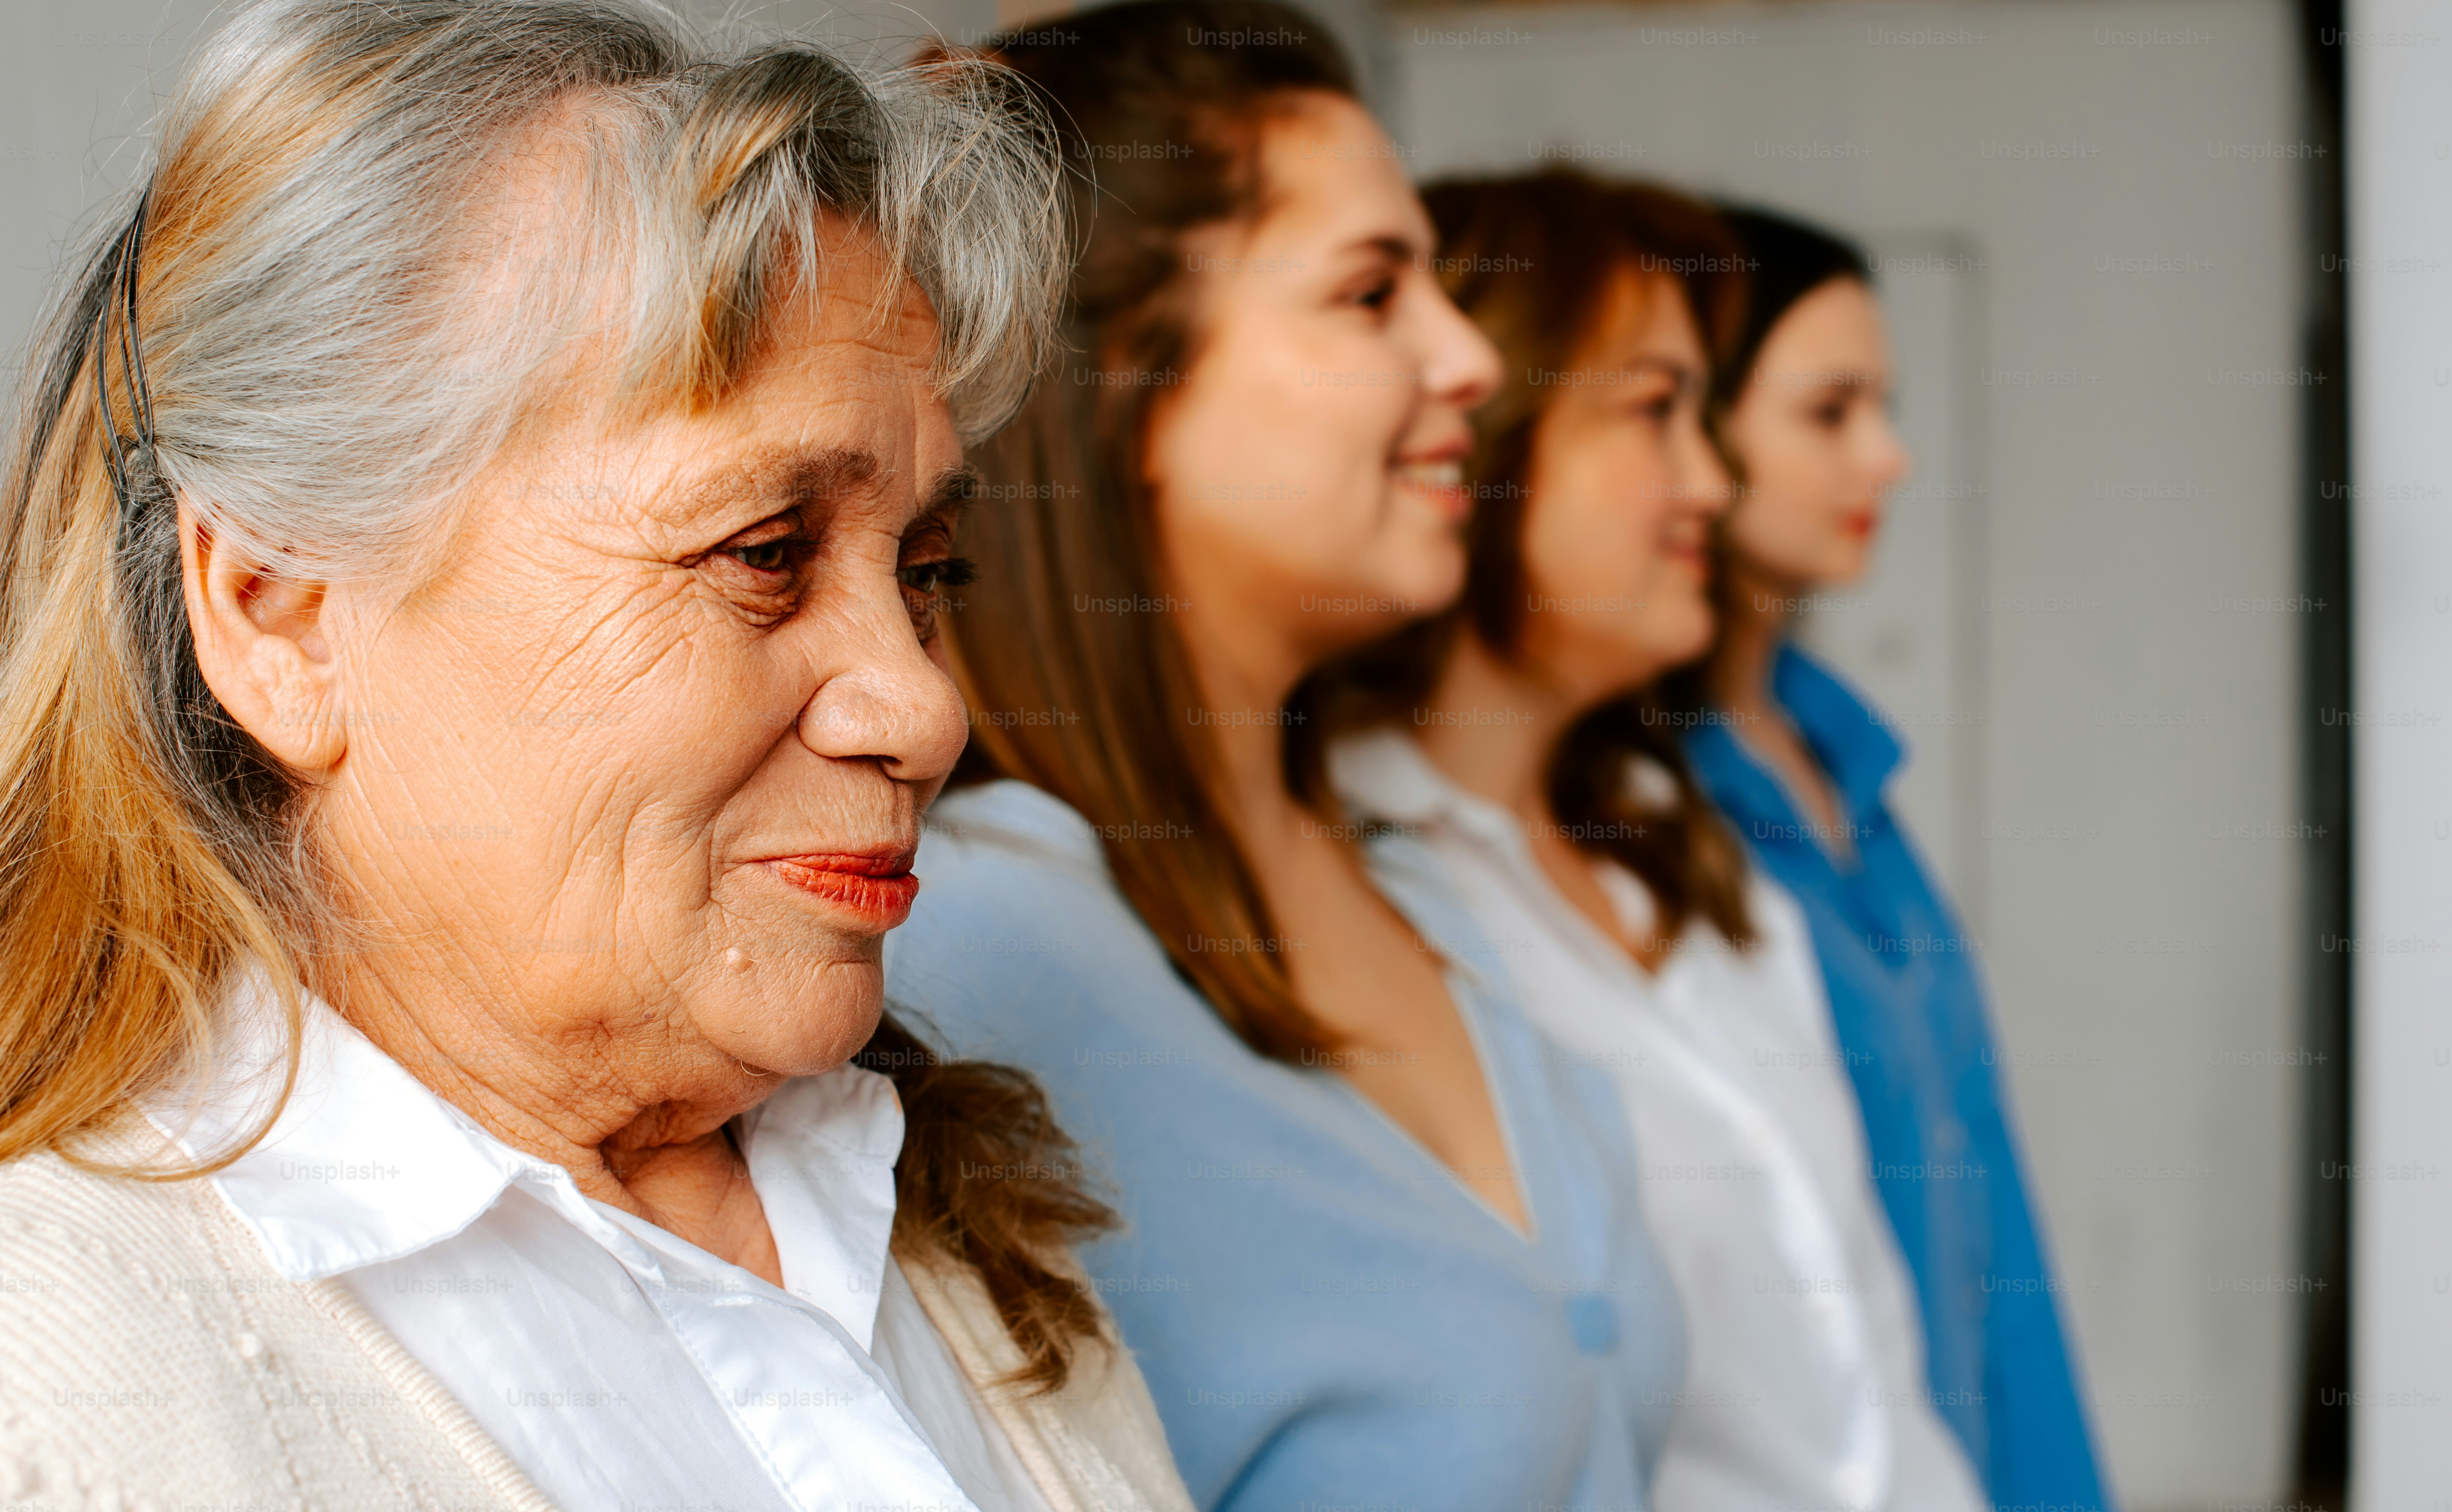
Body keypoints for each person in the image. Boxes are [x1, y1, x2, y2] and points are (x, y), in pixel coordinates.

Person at [0, 5, 1195, 1510]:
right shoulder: (58, 1394)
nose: (923, 709)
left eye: (925, 570)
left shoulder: (952, 1238)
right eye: (764, 552)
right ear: (282, 616)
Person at [883, 6, 1685, 1510]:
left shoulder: (1415, 897)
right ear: (1127, 382)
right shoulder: (976, 944)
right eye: (1371, 292)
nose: (1466, 358)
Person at [1313, 168, 1988, 1512]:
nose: (1712, 484)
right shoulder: (1348, 884)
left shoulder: (1680, 839)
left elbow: (1866, 1356)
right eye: (1655, 411)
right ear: (1482, 437)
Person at [1679, 206, 2110, 1509]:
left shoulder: (1846, 766)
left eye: (1886, 408)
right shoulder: (1630, 816)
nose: (1888, 458)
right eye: (1831, 412)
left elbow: (1989, 1225)